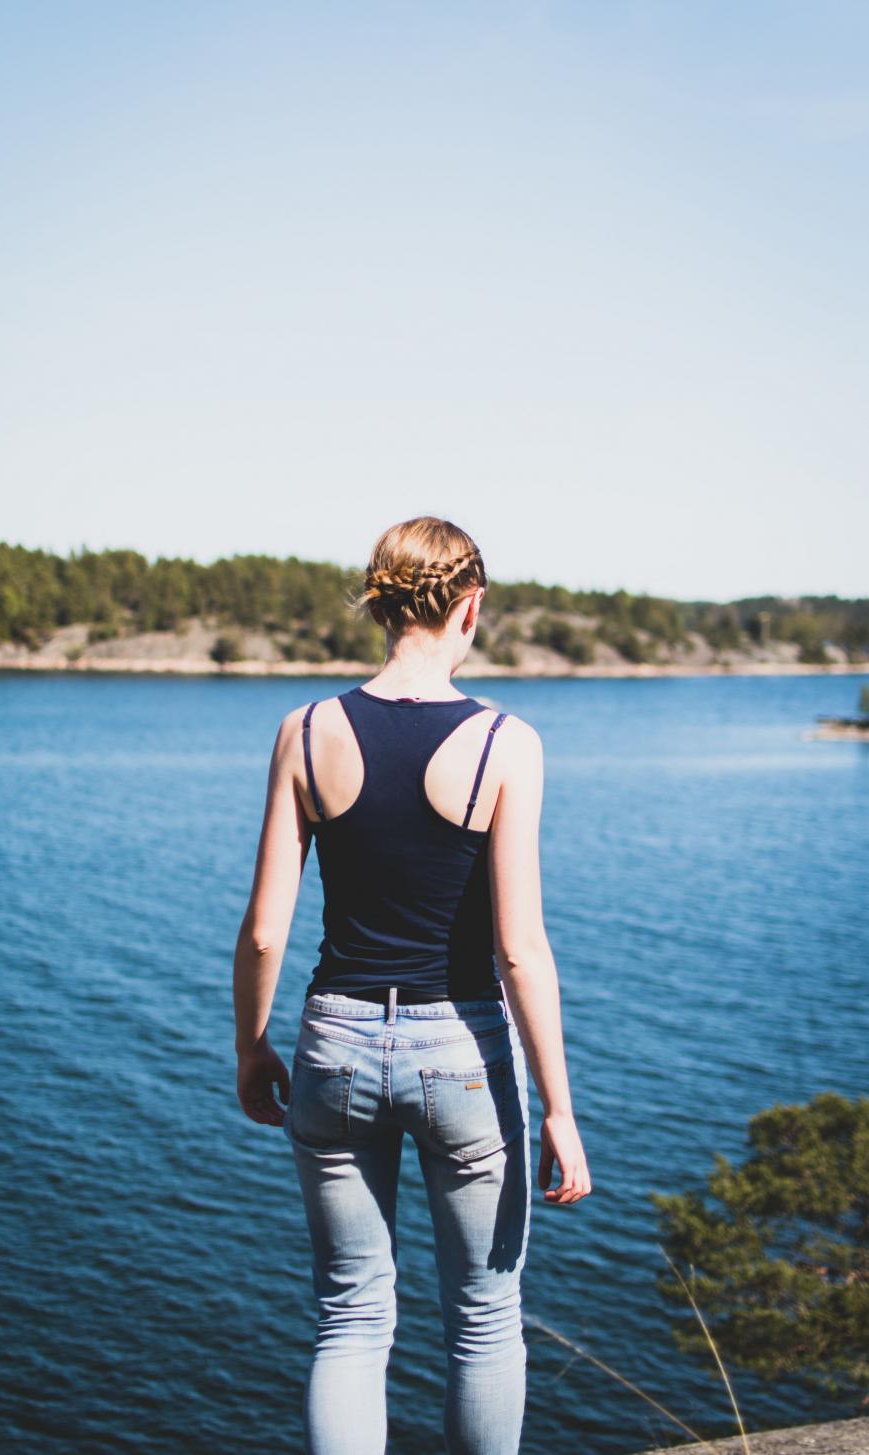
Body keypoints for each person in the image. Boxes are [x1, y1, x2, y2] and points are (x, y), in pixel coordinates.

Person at [233, 516, 590, 1455]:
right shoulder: (505, 742)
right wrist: (558, 1107)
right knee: (483, 1319)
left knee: (350, 1318)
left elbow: (267, 926)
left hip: (333, 1044)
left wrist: (250, 1044)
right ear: (470, 608)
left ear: (381, 605)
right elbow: (519, 949)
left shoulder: (303, 733)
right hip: (461, 1050)